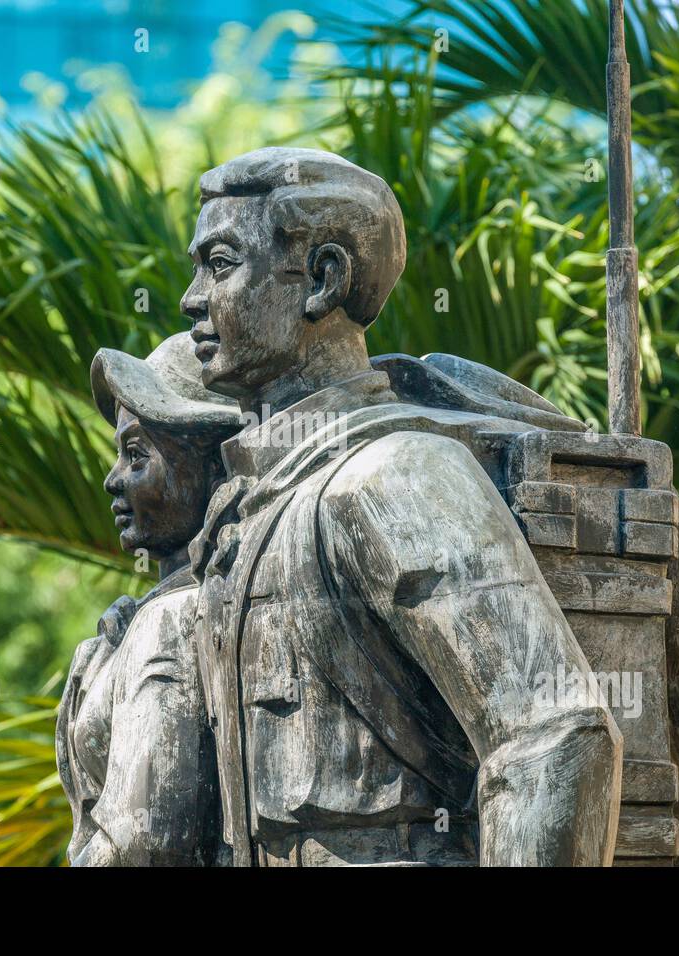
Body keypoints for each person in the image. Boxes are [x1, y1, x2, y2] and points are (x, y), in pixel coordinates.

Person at [182, 147, 623, 866]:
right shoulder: (252, 508)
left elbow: (554, 738)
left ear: (323, 280)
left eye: (221, 264)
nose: (191, 298)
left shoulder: (394, 477)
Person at [56, 332, 241, 865]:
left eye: (137, 456)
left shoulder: (175, 621)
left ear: (213, 467)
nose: (114, 479)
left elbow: (145, 838)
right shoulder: (140, 623)